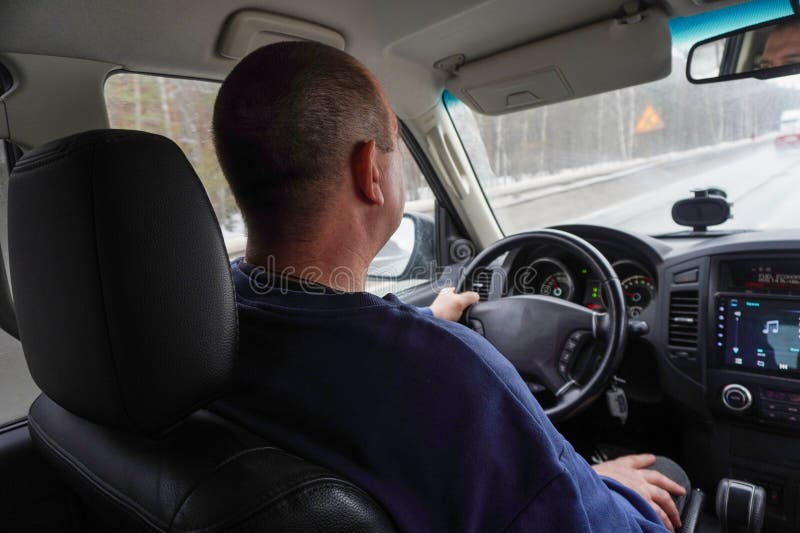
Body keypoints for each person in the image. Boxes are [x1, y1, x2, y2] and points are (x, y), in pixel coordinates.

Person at [212, 41, 687, 532]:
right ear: (369, 169)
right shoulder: (456, 379)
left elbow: (334, 347)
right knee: (664, 476)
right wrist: (598, 484)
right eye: (397, 148)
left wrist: (426, 322)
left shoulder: (202, 330)